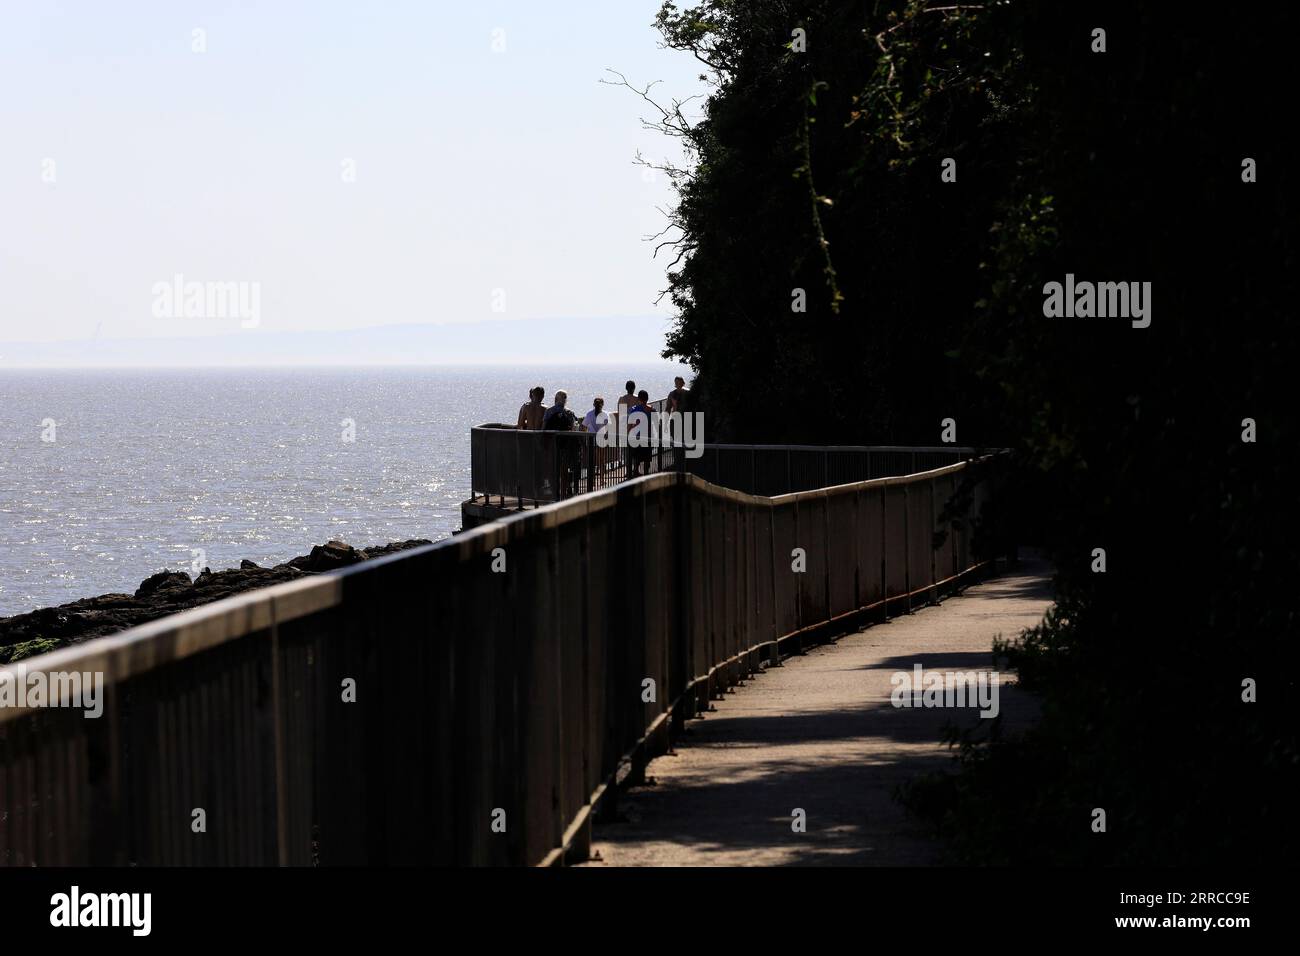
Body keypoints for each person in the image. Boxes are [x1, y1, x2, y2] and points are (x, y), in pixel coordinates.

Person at [543, 390, 578, 497]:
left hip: (552, 445)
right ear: (565, 400)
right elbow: (573, 429)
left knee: (553, 467)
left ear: (556, 399)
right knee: (565, 468)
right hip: (566, 445)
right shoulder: (569, 413)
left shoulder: (549, 411)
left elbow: (543, 428)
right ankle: (566, 489)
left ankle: (555, 491)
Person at [628, 389, 655, 476]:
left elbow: (630, 424)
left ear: (639, 398)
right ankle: (646, 475)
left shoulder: (634, 409)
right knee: (647, 458)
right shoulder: (652, 410)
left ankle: (635, 473)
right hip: (648, 437)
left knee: (636, 457)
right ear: (647, 398)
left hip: (636, 437)